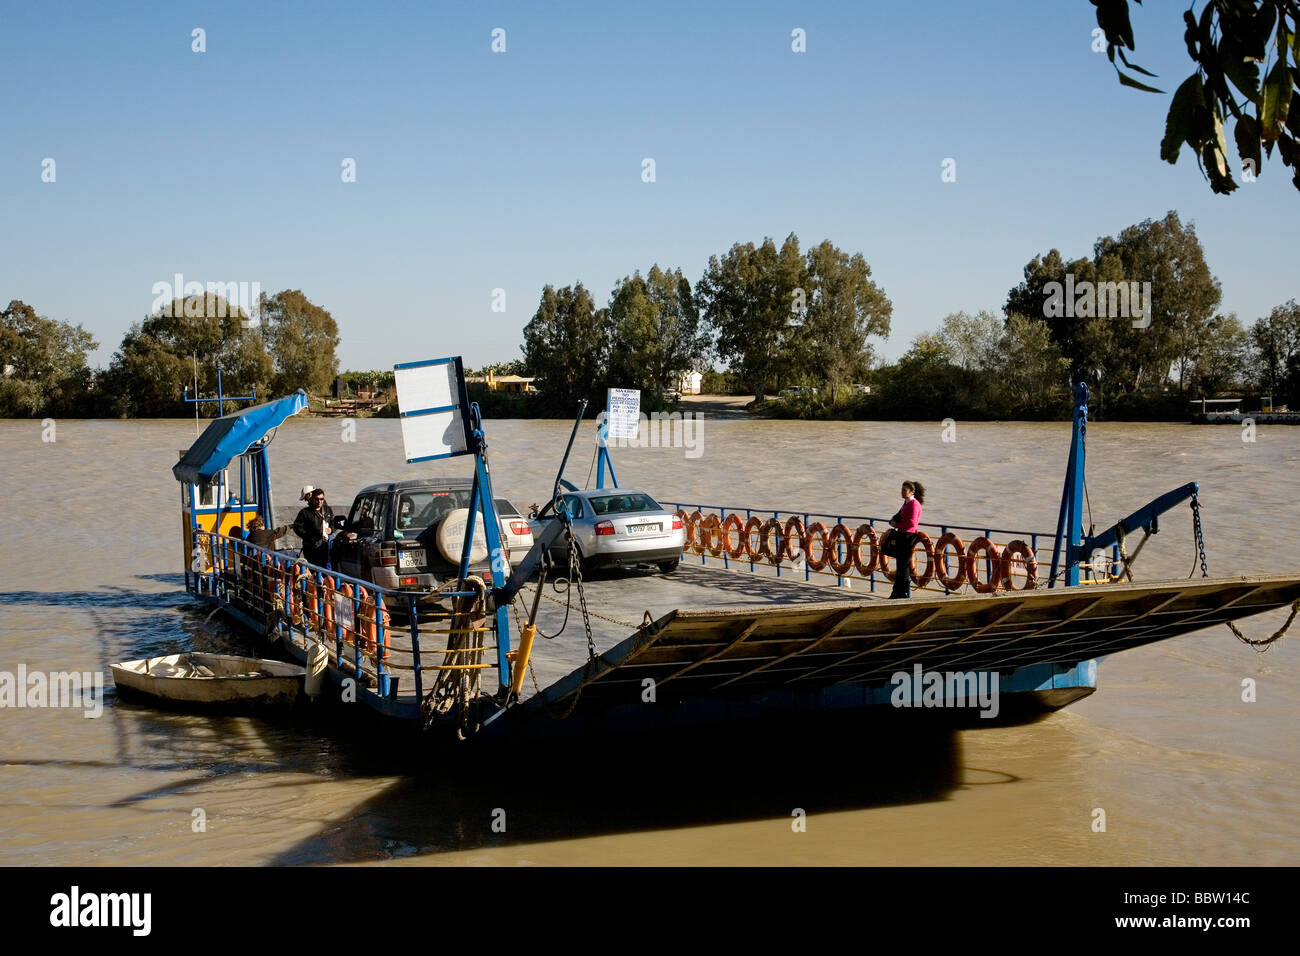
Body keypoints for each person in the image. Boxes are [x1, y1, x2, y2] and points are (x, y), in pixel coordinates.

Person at [887, 480, 926, 599]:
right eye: (901, 490)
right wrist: (893, 521)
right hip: (902, 536)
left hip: (908, 537)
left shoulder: (914, 504)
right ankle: (897, 592)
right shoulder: (906, 503)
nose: (902, 492)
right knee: (900, 565)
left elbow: (912, 523)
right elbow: (900, 516)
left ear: (912, 492)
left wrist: (896, 525)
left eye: (904, 490)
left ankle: (901, 593)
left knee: (903, 566)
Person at [292, 485, 335, 567]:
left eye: (321, 499)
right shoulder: (305, 512)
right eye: (317, 499)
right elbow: (297, 527)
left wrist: (331, 529)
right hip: (311, 548)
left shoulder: (327, 510)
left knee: (326, 571)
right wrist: (310, 537)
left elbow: (333, 523)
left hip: (326, 546)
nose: (319, 501)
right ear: (313, 498)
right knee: (314, 570)